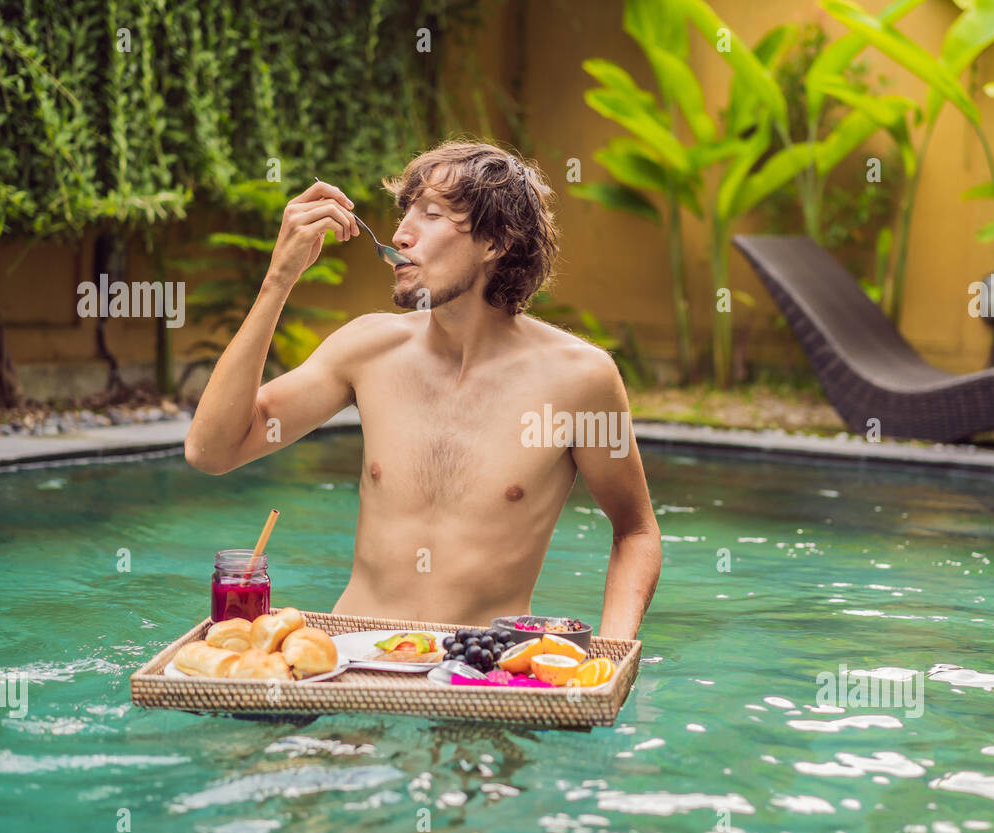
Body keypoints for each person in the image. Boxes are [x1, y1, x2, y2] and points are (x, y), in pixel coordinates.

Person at [184, 140, 661, 640]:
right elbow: (210, 451)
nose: (400, 235)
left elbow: (636, 532)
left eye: (430, 215)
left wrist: (611, 652)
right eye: (404, 214)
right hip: (349, 659)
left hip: (475, 673)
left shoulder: (579, 379)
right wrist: (278, 280)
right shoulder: (367, 349)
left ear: (494, 242)